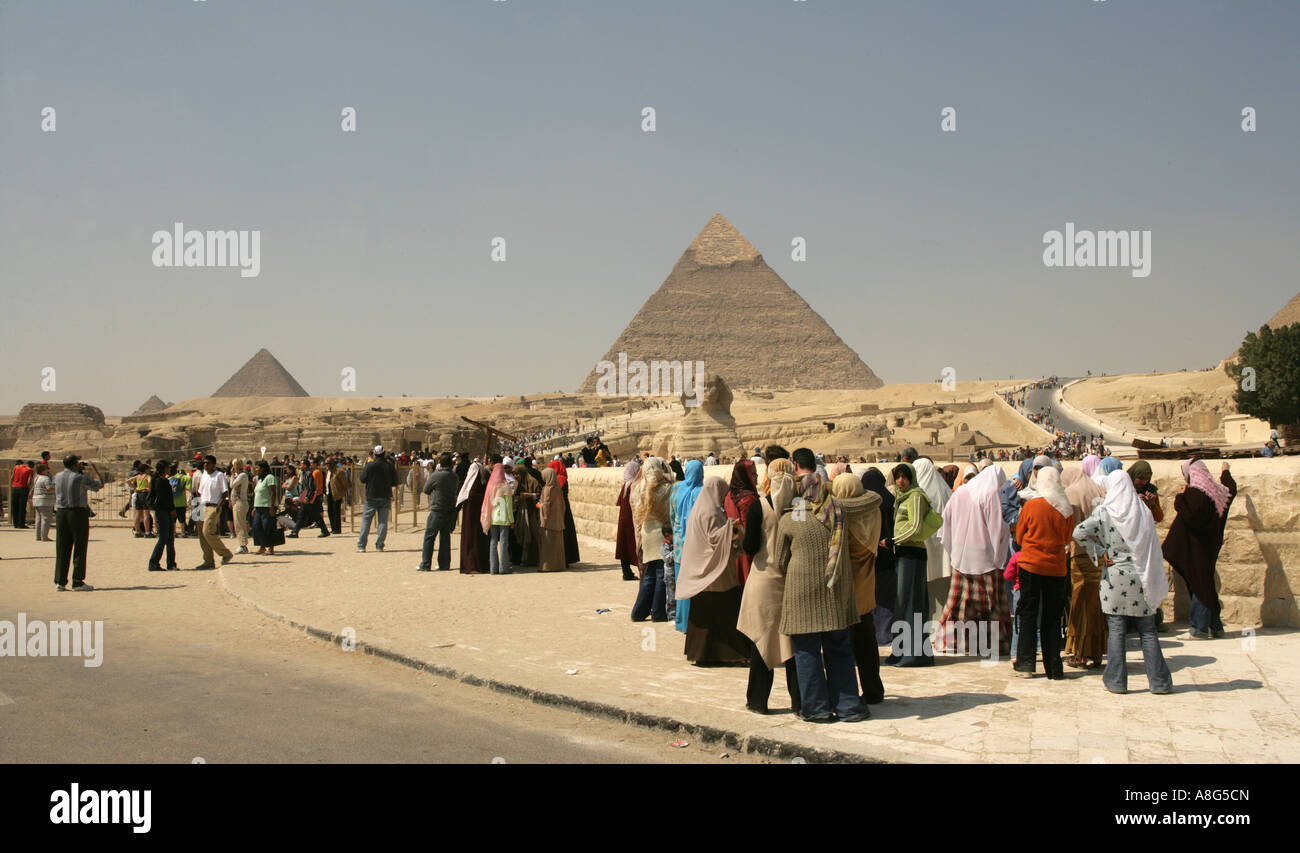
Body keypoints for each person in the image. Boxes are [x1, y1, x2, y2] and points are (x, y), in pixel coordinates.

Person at [775, 470, 870, 723]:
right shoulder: (839, 512)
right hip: (834, 593)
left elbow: (780, 560)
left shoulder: (789, 517)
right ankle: (849, 706)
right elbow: (871, 499)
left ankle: (817, 709)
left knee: (807, 653)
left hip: (801, 596)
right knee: (840, 650)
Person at [1074, 470, 1173, 694]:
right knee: (1148, 631)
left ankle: (1116, 681)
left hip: (1115, 578)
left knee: (1116, 630)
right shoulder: (1142, 512)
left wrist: (1100, 551)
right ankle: (1159, 682)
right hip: (1141, 576)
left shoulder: (1104, 512)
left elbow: (1079, 532)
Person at [737, 458, 801, 715]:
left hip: (764, 580)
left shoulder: (758, 508)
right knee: (793, 647)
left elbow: (750, 547)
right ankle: (800, 702)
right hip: (791, 581)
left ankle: (758, 701)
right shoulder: (799, 507)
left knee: (762, 643)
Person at [936, 465, 1013, 658]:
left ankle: (953, 641)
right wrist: (999, 555)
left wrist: (954, 547)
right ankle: (991, 643)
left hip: (961, 555)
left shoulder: (961, 491)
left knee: (959, 602)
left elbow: (946, 521)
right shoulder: (991, 493)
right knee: (989, 603)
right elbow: (997, 527)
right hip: (984, 557)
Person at [675, 477, 748, 665]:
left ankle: (700, 654)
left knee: (705, 614)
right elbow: (714, 539)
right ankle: (732, 654)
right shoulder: (711, 512)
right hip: (713, 573)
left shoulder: (700, 509)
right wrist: (731, 526)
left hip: (702, 572)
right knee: (725, 612)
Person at [1011, 466, 1075, 679]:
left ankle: (1026, 664)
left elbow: (1019, 537)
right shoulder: (1066, 509)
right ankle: (1054, 667)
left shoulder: (1032, 506)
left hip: (1030, 566)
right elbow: (1067, 539)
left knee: (1028, 613)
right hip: (1056, 569)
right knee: (1052, 617)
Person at [1163, 460, 1236, 640]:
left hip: (1195, 547)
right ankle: (1215, 626)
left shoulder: (1195, 493)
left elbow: (1191, 516)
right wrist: (1225, 471)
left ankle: (1199, 628)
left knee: (1199, 584)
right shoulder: (1218, 492)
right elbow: (1231, 487)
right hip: (1209, 546)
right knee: (1206, 583)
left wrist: (1180, 499)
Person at [832, 472, 886, 704]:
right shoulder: (872, 511)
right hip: (867, 585)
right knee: (867, 644)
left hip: (846, 588)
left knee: (843, 647)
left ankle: (846, 695)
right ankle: (874, 691)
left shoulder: (842, 517)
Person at [889, 463, 940, 667]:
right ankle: (901, 650)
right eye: (897, 476)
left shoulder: (916, 496)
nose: (900, 480)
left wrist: (894, 540)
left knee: (912, 603)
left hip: (912, 554)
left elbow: (916, 526)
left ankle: (914, 654)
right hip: (902, 554)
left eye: (904, 476)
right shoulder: (902, 496)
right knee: (902, 603)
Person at [1061, 467, 1108, 667]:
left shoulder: (1073, 492)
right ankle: (1096, 651)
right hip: (1101, 553)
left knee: (1080, 604)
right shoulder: (1099, 489)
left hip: (1081, 554)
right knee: (1095, 605)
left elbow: (1074, 528)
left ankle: (1079, 652)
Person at [630, 457, 673, 621]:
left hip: (647, 534)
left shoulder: (638, 488)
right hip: (661, 534)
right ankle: (657, 612)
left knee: (649, 574)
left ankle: (638, 612)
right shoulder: (666, 489)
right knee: (661, 573)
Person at [53, 455, 102, 591]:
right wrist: (94, 469)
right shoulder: (80, 477)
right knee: (80, 546)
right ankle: (77, 581)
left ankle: (60, 581)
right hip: (77, 513)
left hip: (61, 513)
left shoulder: (57, 476)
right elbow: (98, 485)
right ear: (75, 464)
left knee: (62, 547)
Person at [912, 457, 953, 619]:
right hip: (945, 550)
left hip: (924, 550)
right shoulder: (946, 491)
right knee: (943, 592)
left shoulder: (918, 494)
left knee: (926, 594)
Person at [861, 468, 896, 646]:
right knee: (886, 597)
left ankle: (874, 634)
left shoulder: (863, 503)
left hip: (867, 557)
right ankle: (885, 634)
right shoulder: (890, 500)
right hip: (887, 555)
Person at [670, 459, 705, 634]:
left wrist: (677, 531)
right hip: (695, 545)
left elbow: (671, 514)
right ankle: (693, 625)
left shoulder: (676, 488)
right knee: (694, 585)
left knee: (681, 584)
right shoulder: (701, 492)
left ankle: (681, 622)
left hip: (678, 544)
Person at [417, 453, 459, 571]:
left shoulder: (436, 475)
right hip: (449, 509)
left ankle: (425, 564)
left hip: (437, 509)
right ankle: (444, 564)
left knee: (429, 537)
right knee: (445, 537)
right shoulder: (454, 476)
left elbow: (426, 490)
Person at [724, 459, 761, 586]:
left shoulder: (730, 494)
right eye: (753, 474)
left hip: (733, 550)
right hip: (746, 551)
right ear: (745, 476)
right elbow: (749, 528)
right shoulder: (748, 498)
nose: (757, 477)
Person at [195, 455, 233, 570]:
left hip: (213, 506)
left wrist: (219, 505)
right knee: (201, 535)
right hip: (202, 505)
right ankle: (208, 561)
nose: (205, 465)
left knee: (208, 532)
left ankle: (225, 553)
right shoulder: (204, 475)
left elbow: (225, 492)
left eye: (207, 463)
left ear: (213, 464)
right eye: (204, 463)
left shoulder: (219, 475)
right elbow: (200, 492)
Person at [357, 446, 396, 552]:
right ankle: (380, 545)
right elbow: (395, 482)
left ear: (374, 454)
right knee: (383, 522)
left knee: (366, 521)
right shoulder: (389, 466)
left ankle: (361, 546)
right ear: (384, 454)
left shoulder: (370, 465)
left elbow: (362, 479)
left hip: (371, 496)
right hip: (385, 496)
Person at [456, 459, 489, 573]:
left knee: (473, 538)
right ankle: (473, 564)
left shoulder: (475, 487)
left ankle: (473, 564)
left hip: (474, 518)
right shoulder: (478, 486)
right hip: (474, 518)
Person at [482, 462, 515, 575]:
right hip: (504, 518)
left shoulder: (490, 486)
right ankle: (503, 568)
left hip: (493, 518)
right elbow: (508, 506)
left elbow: (487, 504)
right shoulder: (505, 486)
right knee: (504, 543)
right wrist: (512, 520)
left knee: (493, 542)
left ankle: (493, 568)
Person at [548, 458, 581, 565]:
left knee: (562, 534)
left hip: (559, 508)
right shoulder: (563, 479)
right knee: (567, 533)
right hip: (565, 509)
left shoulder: (558, 480)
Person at [147, 461, 178, 571]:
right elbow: (163, 499)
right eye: (168, 467)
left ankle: (171, 563)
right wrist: (171, 509)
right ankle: (153, 563)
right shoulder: (160, 481)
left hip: (167, 511)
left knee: (170, 539)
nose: (170, 469)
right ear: (164, 469)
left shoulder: (163, 480)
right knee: (163, 539)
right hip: (163, 512)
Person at [513, 459, 544, 567]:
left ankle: (536, 558)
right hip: (522, 513)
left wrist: (530, 495)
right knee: (524, 535)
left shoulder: (533, 482)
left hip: (533, 513)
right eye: (514, 474)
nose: (515, 476)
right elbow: (515, 496)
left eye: (517, 474)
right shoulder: (518, 484)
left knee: (534, 536)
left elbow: (540, 495)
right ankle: (525, 559)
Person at [615, 460, 642, 581]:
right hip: (632, 521)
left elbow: (620, 503)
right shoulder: (634, 485)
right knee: (634, 546)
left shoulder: (625, 485)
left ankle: (626, 572)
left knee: (624, 545)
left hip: (624, 521)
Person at [537, 466, 568, 571]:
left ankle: (547, 567)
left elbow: (546, 506)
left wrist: (540, 508)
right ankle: (558, 566)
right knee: (557, 547)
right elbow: (563, 506)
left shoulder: (547, 489)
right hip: (558, 521)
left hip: (549, 522)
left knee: (548, 546)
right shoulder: (558, 489)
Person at [291, 457, 330, 539]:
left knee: (305, 515)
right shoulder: (305, 473)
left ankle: (295, 531)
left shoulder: (309, 474)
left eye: (301, 464)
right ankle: (295, 531)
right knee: (307, 515)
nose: (300, 466)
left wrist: (307, 498)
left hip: (309, 497)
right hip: (306, 496)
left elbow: (310, 488)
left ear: (305, 465)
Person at [252, 460, 280, 556]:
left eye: (257, 468)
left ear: (263, 468)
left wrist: (272, 507)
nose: (256, 470)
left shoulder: (270, 477)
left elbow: (273, 492)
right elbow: (258, 494)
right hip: (259, 507)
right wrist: (255, 507)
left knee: (268, 527)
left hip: (268, 507)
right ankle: (262, 546)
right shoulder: (259, 479)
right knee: (256, 527)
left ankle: (271, 548)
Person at [229, 459, 251, 554]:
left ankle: (243, 545)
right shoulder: (239, 475)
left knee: (239, 524)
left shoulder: (242, 475)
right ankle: (243, 544)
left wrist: (232, 475)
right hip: (237, 502)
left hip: (240, 502)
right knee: (239, 523)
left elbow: (232, 485)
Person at [30, 461, 55, 542]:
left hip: (36, 500)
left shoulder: (36, 477)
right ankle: (44, 536)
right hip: (45, 500)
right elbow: (49, 489)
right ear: (43, 470)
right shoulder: (45, 478)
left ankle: (38, 536)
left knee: (38, 518)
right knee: (46, 518)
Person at [326, 458, 350, 535]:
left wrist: (342, 492)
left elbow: (345, 484)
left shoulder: (339, 472)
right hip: (329, 493)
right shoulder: (328, 472)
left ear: (333, 463)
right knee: (330, 511)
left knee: (336, 512)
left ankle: (337, 529)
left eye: (329, 464)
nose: (327, 465)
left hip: (336, 494)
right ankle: (333, 528)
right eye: (326, 464)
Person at [10, 459, 33, 528]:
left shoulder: (16, 467)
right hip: (23, 488)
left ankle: (15, 523)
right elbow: (29, 482)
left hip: (14, 487)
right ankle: (21, 524)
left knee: (14, 506)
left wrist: (13, 485)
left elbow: (12, 477)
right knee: (22, 507)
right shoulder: (30, 470)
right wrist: (28, 490)